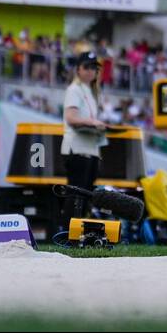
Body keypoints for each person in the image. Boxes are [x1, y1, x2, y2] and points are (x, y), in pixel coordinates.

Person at [58, 52, 109, 230]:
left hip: (90, 148)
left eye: (94, 68)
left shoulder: (91, 91)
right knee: (75, 195)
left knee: (85, 195)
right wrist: (93, 123)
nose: (90, 71)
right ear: (78, 69)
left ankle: (78, 232)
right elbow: (71, 117)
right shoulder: (74, 89)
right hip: (77, 149)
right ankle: (68, 233)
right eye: (86, 67)